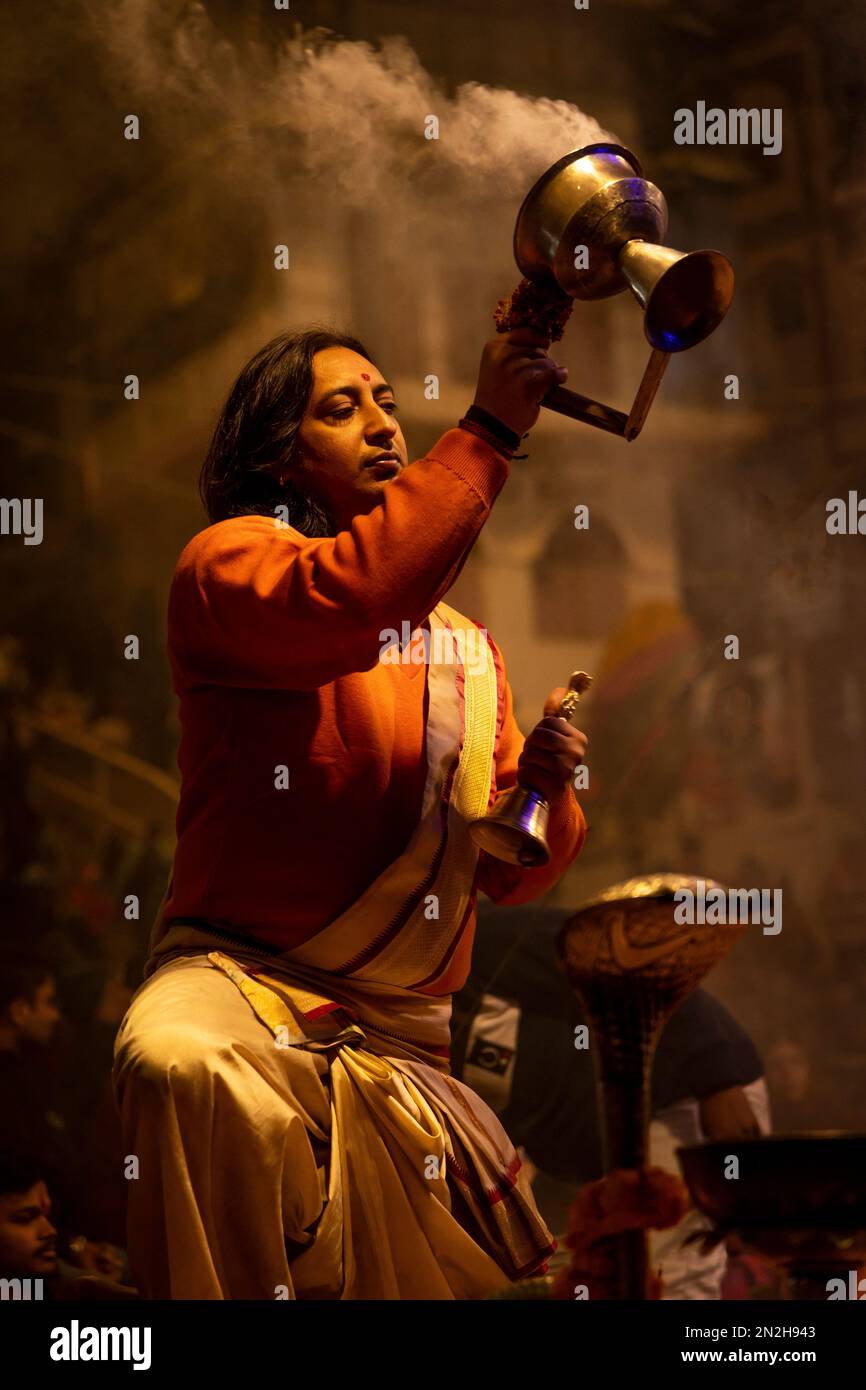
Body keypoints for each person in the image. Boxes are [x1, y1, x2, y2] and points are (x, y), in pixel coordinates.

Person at [113, 325, 591, 1299]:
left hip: (404, 1033)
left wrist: (545, 786)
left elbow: (508, 872)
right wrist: (491, 424)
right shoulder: (228, 567)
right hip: (242, 984)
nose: (380, 424)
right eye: (340, 408)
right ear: (280, 455)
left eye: (384, 402)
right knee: (180, 1062)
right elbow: (346, 601)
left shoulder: (463, 649)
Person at [453, 899, 771, 1298]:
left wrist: (716, 1072)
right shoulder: (391, 1031)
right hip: (605, 1148)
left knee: (665, 1279)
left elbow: (629, 960)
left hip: (685, 1086)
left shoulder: (478, 939)